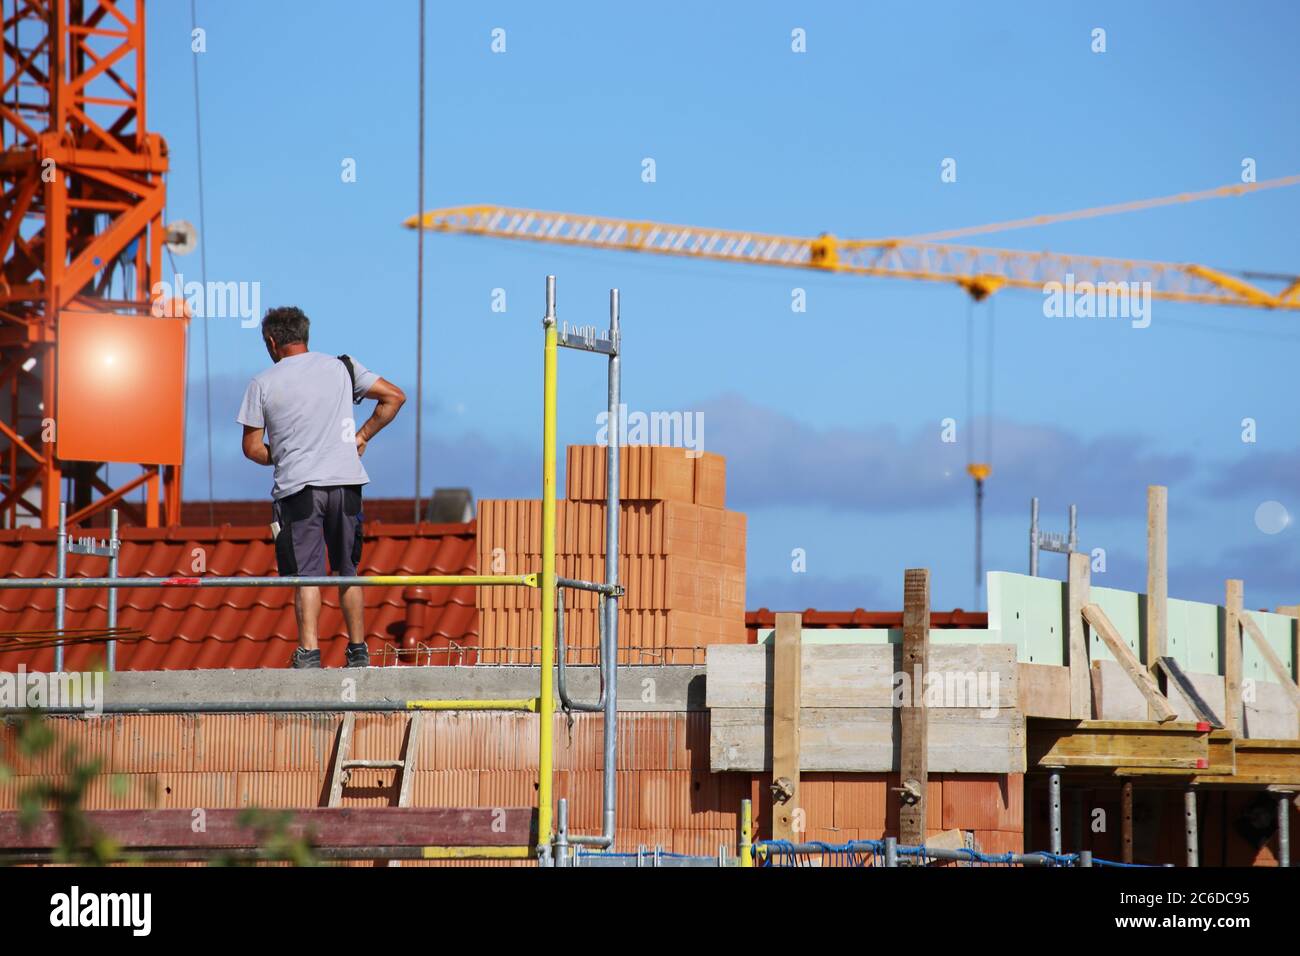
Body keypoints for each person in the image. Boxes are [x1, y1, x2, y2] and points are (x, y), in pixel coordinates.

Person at [237, 306, 406, 668]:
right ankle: (358, 652)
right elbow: (394, 397)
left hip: (299, 489)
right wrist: (361, 436)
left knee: (306, 576)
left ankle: (310, 653)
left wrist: (281, 454)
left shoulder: (263, 383)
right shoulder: (343, 367)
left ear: (271, 342)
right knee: (348, 570)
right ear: (305, 335)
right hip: (346, 483)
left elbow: (252, 448)